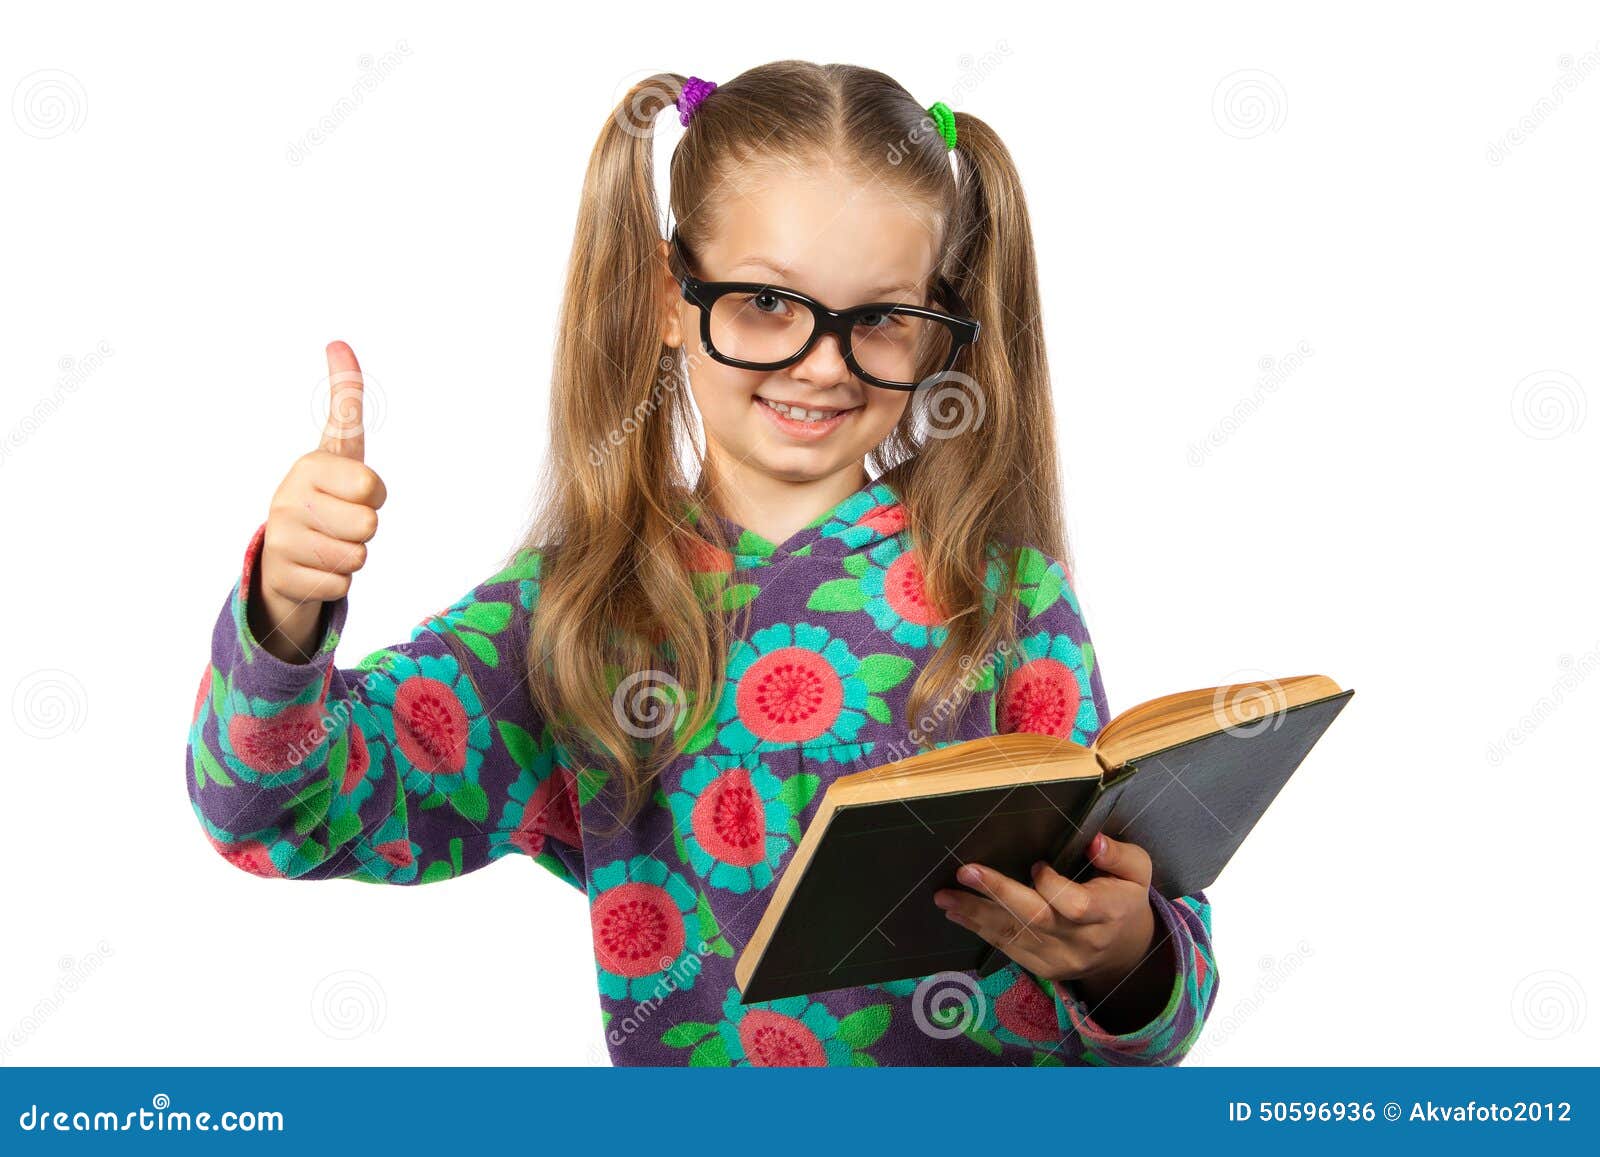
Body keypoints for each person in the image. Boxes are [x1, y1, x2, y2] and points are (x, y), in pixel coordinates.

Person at [186, 61, 1217, 1066]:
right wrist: (285, 607)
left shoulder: (1004, 596)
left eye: (881, 319)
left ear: (935, 333)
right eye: (766, 303)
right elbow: (271, 817)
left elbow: (1157, 990)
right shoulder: (577, 611)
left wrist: (1122, 952)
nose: (821, 362)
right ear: (669, 295)